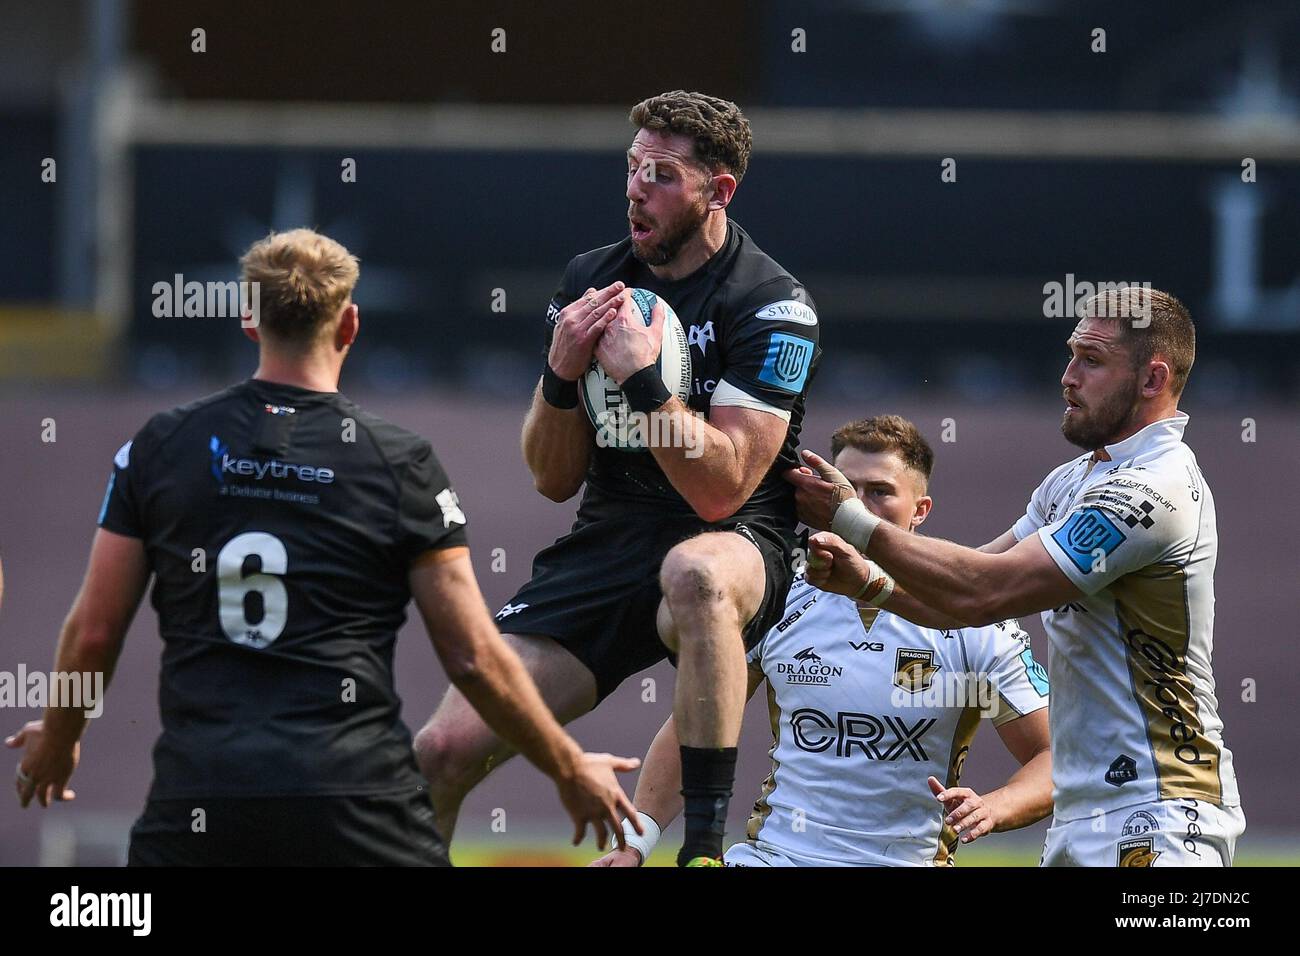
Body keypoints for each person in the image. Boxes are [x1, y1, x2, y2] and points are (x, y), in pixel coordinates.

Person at [6, 228, 640, 866]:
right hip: (353, 803)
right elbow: (473, 657)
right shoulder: (399, 463)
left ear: (249, 321)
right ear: (350, 324)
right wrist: (564, 765)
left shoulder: (160, 449)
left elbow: (94, 632)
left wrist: (61, 738)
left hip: (201, 798)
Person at [415, 90, 821, 866]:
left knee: (696, 575)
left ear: (719, 191)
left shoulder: (772, 304)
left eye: (663, 174)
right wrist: (562, 375)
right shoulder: (590, 281)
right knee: (441, 750)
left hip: (733, 543)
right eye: (632, 169)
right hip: (611, 540)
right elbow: (550, 478)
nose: (636, 188)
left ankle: (700, 849)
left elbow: (722, 490)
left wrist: (642, 379)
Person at [789, 288, 1243, 867]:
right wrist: (867, 586)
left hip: (1162, 808)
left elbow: (988, 589)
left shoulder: (1153, 489)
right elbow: (963, 603)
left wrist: (848, 518)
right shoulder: (1072, 481)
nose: (1068, 376)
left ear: (1153, 380)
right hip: (1085, 810)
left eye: (1092, 361)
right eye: (1071, 354)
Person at [591, 415, 1051, 866]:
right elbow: (693, 724)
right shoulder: (775, 597)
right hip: (774, 857)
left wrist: (995, 806)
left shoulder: (976, 620)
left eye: (879, 492)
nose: (854, 506)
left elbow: (1051, 757)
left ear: (920, 511)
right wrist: (637, 842)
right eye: (843, 491)